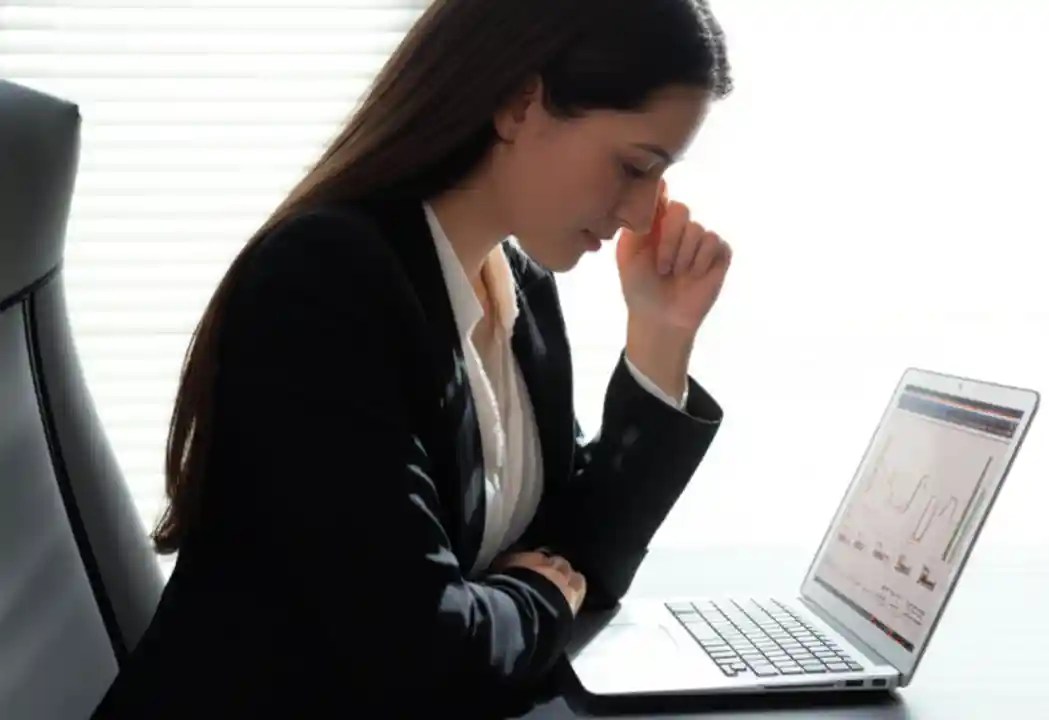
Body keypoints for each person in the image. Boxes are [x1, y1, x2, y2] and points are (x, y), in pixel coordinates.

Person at [93, 0, 733, 716]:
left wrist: (660, 334)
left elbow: (586, 558)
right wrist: (542, 595)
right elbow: (422, 652)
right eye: (634, 166)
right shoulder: (325, 283)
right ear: (520, 103)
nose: (646, 213)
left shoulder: (518, 288)